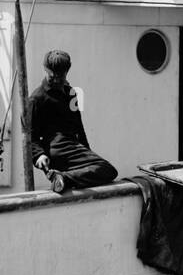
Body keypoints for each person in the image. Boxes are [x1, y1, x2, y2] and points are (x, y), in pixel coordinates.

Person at [27, 49, 118, 194]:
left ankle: (62, 178)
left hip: (72, 146)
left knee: (106, 170)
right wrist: (39, 155)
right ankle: (64, 178)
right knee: (107, 170)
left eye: (60, 76)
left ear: (67, 72)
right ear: (46, 70)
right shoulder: (36, 99)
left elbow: (78, 127)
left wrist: (87, 151)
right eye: (52, 76)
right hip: (56, 149)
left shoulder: (71, 94)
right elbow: (30, 136)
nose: (57, 80)